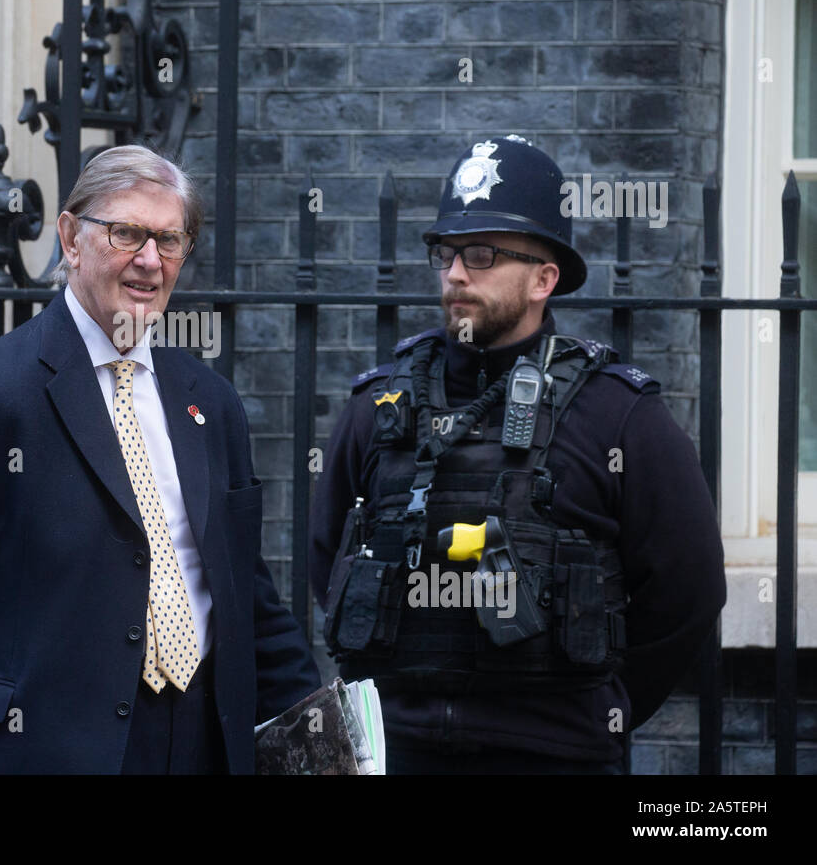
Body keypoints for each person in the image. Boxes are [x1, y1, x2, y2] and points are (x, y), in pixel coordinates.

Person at [0, 144, 321, 774]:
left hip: (199, 748)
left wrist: (325, 736)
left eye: (169, 241)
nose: (150, 260)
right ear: (70, 237)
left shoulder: (212, 403)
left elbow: (246, 600)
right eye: (127, 233)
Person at [310, 135, 727, 774]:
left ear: (544, 277)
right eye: (445, 252)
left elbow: (688, 587)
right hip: (399, 754)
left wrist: (600, 709)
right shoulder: (378, 406)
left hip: (555, 757)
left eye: (481, 254)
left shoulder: (618, 416)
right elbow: (325, 554)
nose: (455, 273)